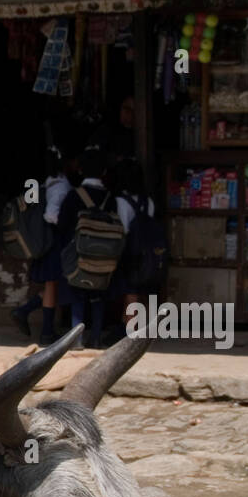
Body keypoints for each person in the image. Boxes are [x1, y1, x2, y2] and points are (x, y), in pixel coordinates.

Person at [10, 142, 73, 341]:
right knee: (54, 283)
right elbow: (50, 215)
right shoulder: (61, 186)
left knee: (52, 284)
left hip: (43, 240)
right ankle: (46, 330)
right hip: (54, 240)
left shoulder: (43, 184)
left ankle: (26, 313)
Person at [55, 146, 115, 348]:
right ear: (104, 172)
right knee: (98, 296)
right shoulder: (110, 198)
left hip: (78, 256)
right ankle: (96, 337)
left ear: (80, 170)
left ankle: (76, 339)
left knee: (77, 295)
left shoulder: (73, 196)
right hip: (105, 257)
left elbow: (62, 223)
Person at [108, 157, 157, 344]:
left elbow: (123, 228)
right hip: (148, 251)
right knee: (140, 291)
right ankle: (132, 328)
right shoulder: (148, 201)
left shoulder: (121, 202)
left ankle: (129, 334)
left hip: (130, 251)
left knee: (130, 293)